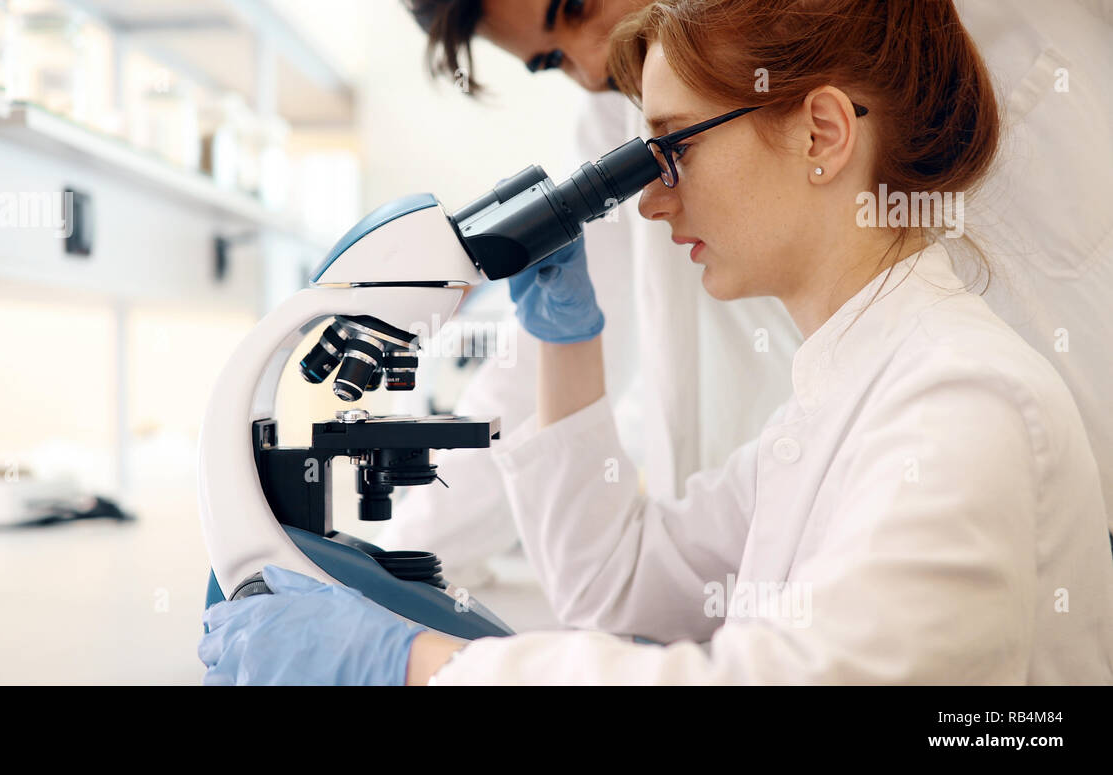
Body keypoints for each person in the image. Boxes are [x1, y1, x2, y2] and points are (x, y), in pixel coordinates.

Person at [199, 0, 1113, 685]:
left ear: (823, 133)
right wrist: (568, 338)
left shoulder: (960, 403)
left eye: (672, 149)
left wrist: (412, 665)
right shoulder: (842, 396)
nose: (651, 199)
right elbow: (617, 579)